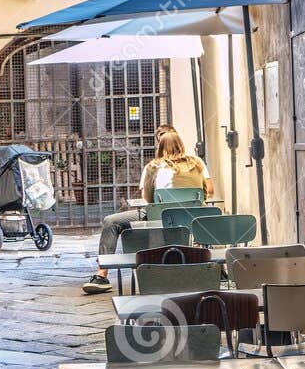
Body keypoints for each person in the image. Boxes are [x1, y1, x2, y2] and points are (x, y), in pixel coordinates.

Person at [82, 125, 214, 294]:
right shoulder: (198, 163)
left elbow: (148, 199)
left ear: (159, 146)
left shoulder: (153, 166)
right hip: (192, 218)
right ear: (181, 144)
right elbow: (209, 191)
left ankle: (101, 275)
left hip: (159, 218)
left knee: (111, 222)